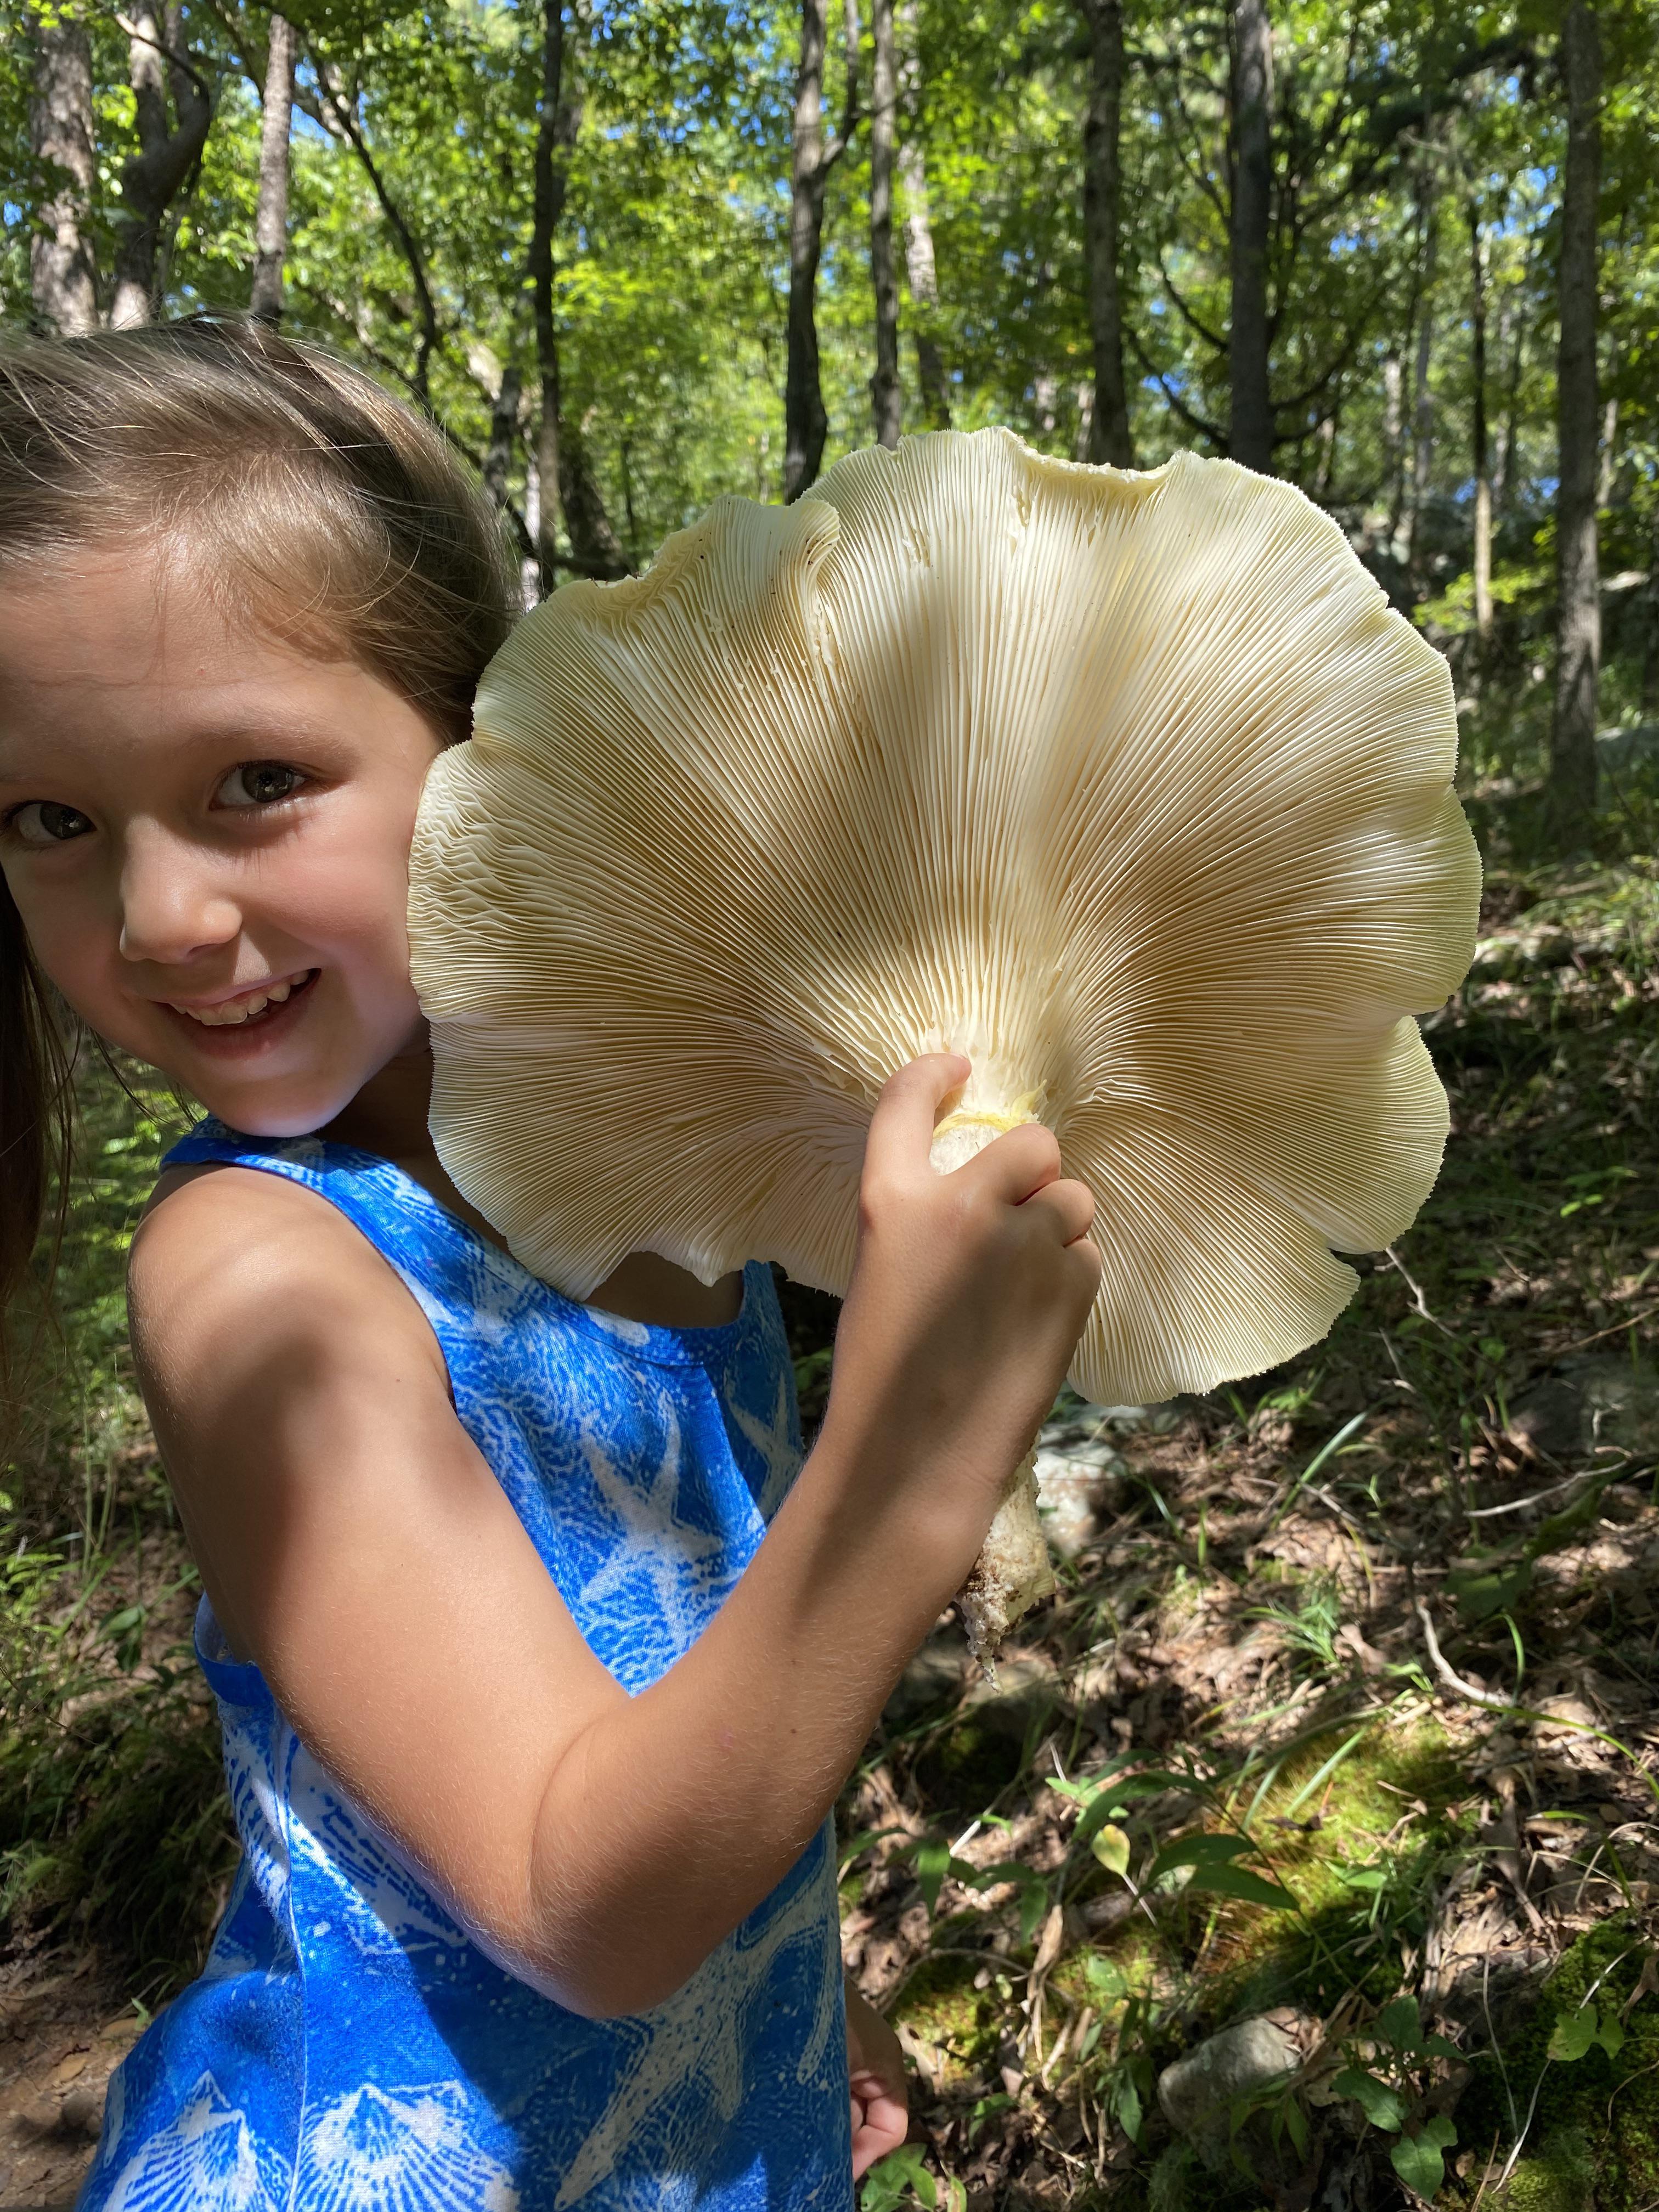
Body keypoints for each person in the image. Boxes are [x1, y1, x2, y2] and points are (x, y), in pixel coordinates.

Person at [0, 318, 1100, 2211]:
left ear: (484, 741)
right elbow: (569, 1901)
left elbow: (688, 1650)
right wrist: (916, 1476)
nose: (160, 912)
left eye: (255, 779)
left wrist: (798, 1976)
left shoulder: (676, 1167)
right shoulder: (255, 1272)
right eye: (50, 821)